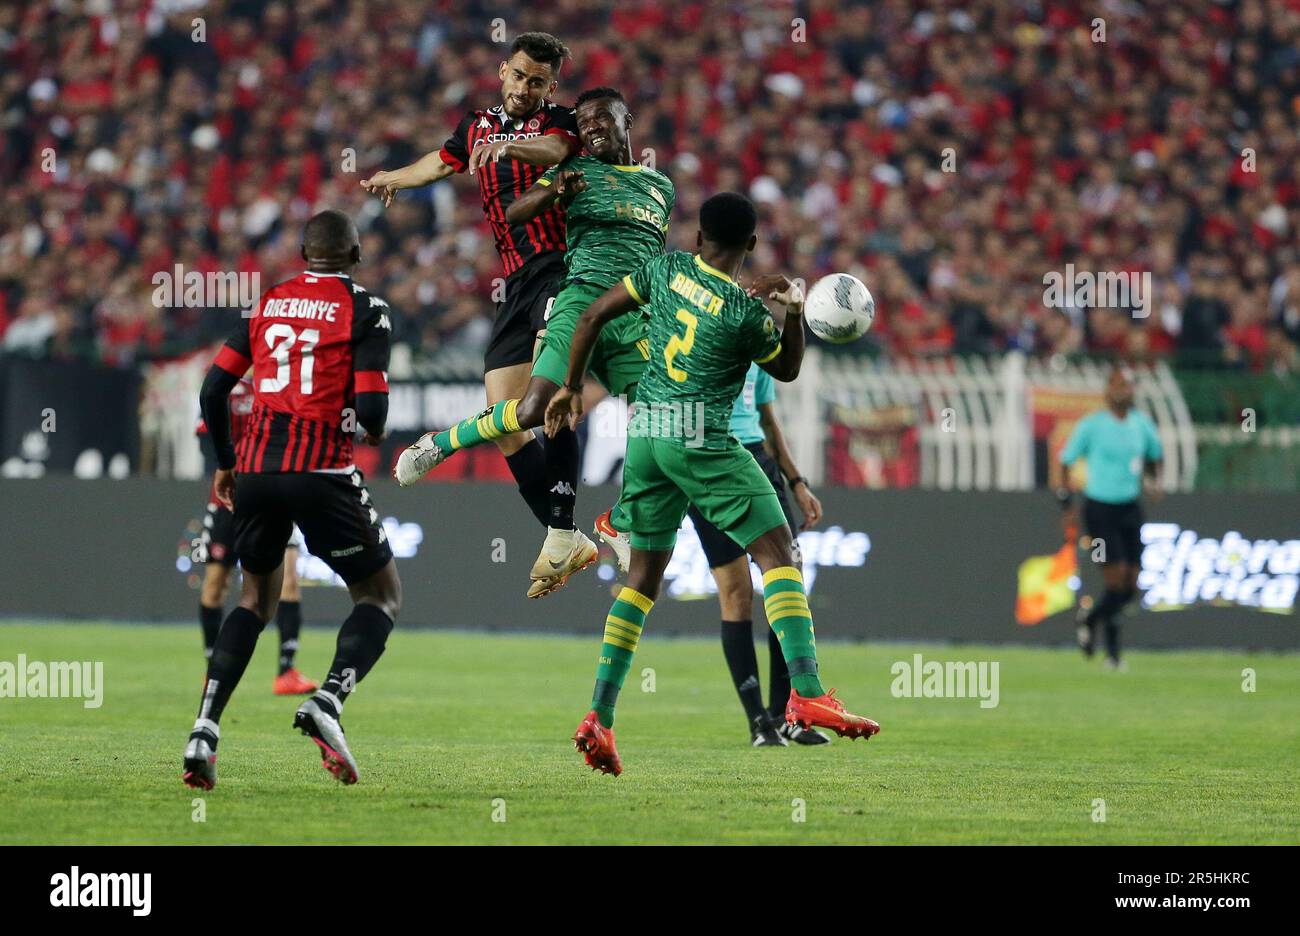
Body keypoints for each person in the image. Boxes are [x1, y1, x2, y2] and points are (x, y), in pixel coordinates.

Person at [544, 192, 880, 775]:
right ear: (751, 246)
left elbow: (594, 314)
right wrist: (795, 308)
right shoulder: (746, 315)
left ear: (699, 237)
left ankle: (599, 715)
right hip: (701, 436)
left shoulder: (667, 267)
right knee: (780, 554)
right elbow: (788, 368)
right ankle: (806, 691)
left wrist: (572, 386)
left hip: (645, 432)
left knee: (641, 580)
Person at [395, 87, 674, 599]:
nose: (591, 129)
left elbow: (651, 252)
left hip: (636, 315)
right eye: (583, 122)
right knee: (532, 410)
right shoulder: (578, 171)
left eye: (600, 120)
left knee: (661, 424)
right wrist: (554, 190)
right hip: (579, 301)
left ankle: (619, 524)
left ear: (626, 119)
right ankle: (442, 443)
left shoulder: (660, 187)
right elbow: (518, 211)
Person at [181, 210, 401, 790]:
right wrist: (368, 429)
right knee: (380, 596)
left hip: (253, 468)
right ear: (355, 256)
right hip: (321, 468)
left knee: (253, 601)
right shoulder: (366, 309)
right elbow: (373, 416)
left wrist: (227, 463)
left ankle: (204, 727)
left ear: (304, 253)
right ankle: (327, 701)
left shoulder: (265, 303)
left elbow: (213, 389)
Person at [360, 32, 584, 584]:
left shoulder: (561, 122)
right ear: (503, 70)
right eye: (520, 76)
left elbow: (555, 153)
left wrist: (510, 148)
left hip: (563, 269)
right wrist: (395, 178)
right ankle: (567, 536)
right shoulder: (474, 125)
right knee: (507, 424)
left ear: (551, 85)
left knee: (548, 396)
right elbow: (441, 162)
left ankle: (563, 530)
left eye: (539, 81)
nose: (527, 88)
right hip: (516, 283)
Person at [195, 376, 316, 695]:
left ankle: (286, 671)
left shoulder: (284, 384)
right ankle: (213, 667)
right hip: (228, 500)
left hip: (274, 495)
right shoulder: (226, 384)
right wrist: (229, 467)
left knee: (289, 579)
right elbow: (205, 437)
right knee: (215, 586)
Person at [1059, 366, 1163, 669]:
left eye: (1130, 386)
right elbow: (1066, 460)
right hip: (1100, 508)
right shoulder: (1092, 426)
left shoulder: (1142, 426)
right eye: (1120, 385)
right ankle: (1114, 654)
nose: (1125, 391)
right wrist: (1066, 501)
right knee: (1116, 577)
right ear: (1108, 389)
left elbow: (1155, 457)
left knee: (1132, 583)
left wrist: (1154, 481)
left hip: (1130, 506)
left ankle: (1091, 619)